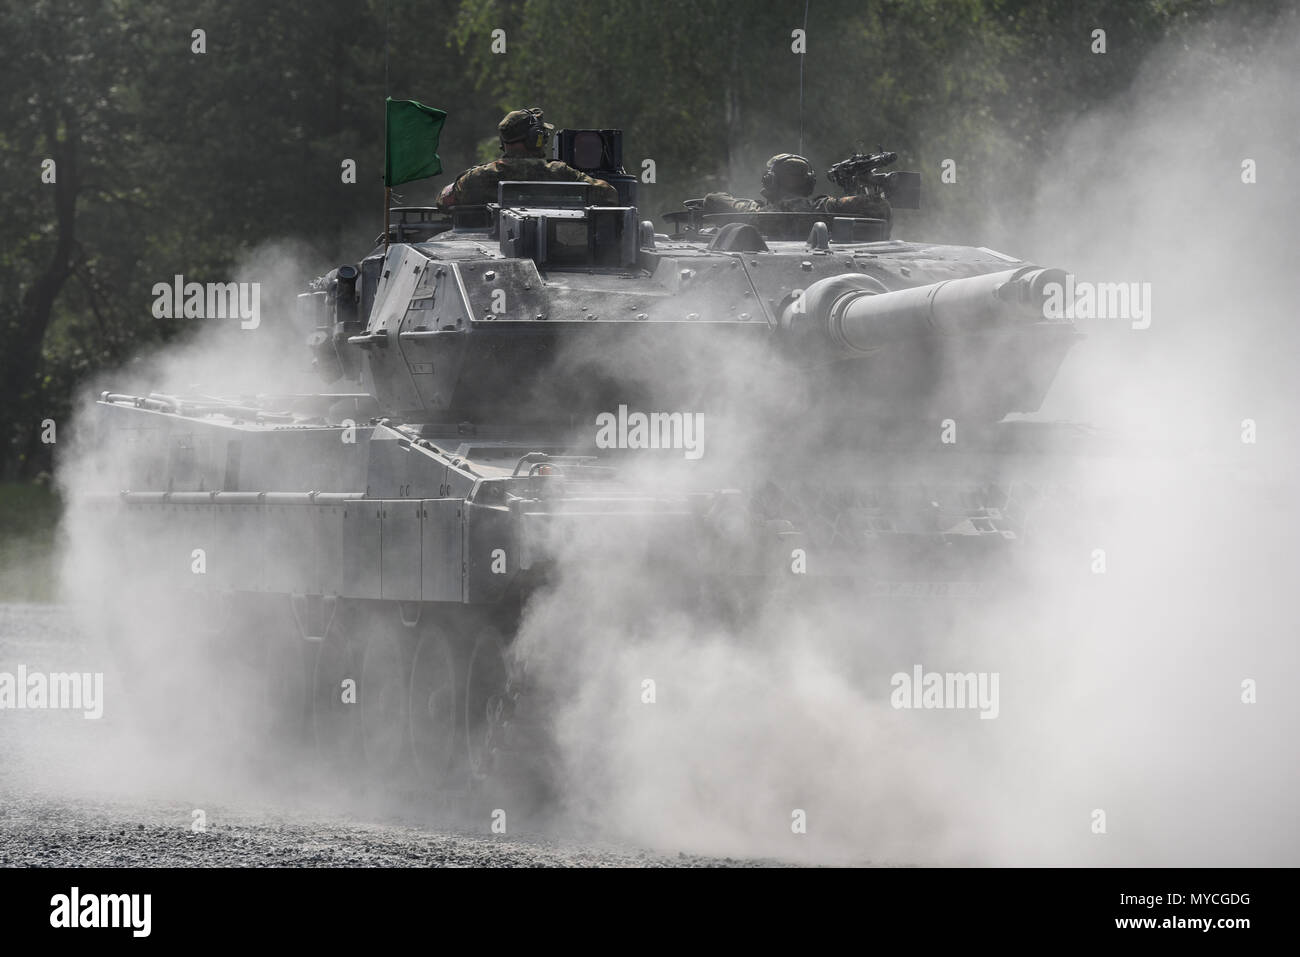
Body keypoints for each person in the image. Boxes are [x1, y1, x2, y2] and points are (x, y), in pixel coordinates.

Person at [436, 108, 619, 208]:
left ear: (503, 141)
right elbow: (609, 195)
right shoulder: (560, 173)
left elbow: (443, 200)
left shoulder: (480, 177)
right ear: (536, 139)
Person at [703, 153, 890, 220]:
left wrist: (748, 204)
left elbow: (713, 199)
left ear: (770, 182)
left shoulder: (754, 213)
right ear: (809, 183)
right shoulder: (826, 208)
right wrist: (866, 182)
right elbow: (878, 206)